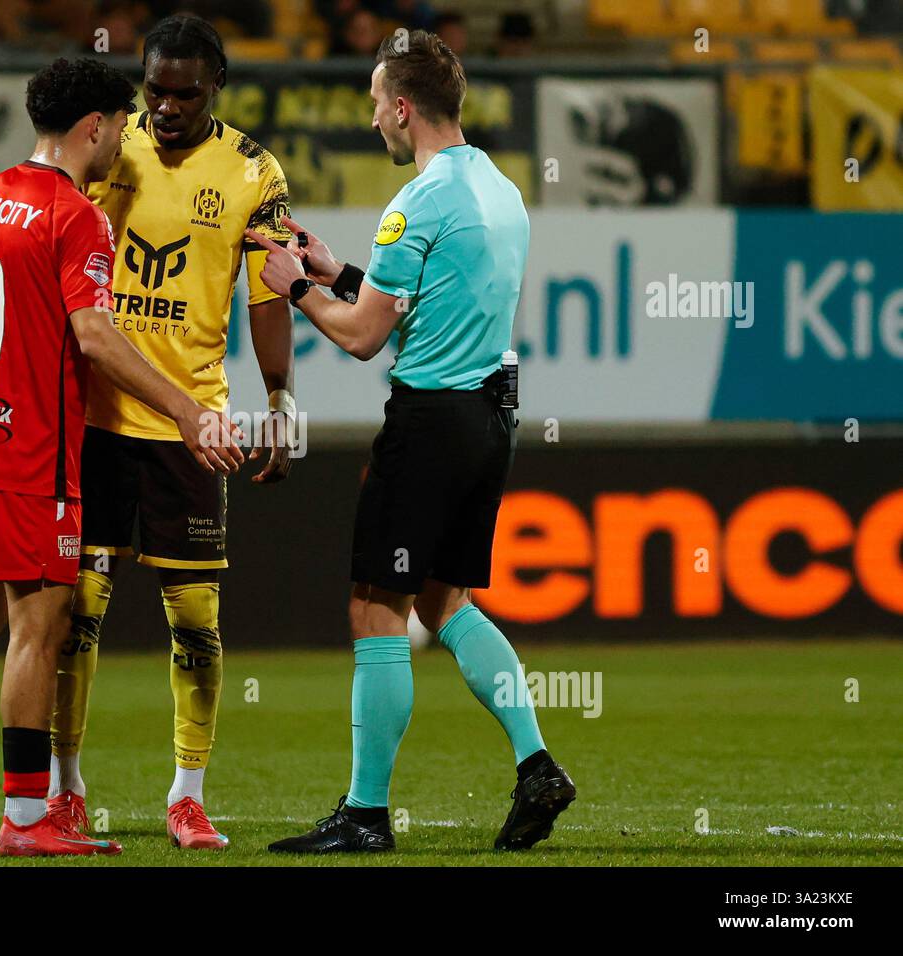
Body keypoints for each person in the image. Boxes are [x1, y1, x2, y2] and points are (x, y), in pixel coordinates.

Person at [0, 57, 243, 858]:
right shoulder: (77, 215)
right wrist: (188, 412)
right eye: (120, 125)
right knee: (38, 629)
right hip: (25, 451)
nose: (124, 141)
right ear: (93, 127)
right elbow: (95, 336)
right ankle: (28, 817)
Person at [246, 29, 576, 854]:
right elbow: (424, 307)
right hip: (489, 420)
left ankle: (365, 813)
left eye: (373, 105)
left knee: (375, 607)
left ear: (403, 107)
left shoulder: (417, 200)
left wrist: (295, 290)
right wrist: (335, 273)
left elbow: (362, 340)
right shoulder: (501, 189)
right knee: (445, 600)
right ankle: (537, 763)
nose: (371, 124)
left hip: (428, 425)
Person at [46, 13, 296, 851]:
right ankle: (65, 789)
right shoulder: (107, 150)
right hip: (95, 417)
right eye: (155, 90)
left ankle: (187, 796)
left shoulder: (255, 172)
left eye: (185, 94)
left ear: (216, 86)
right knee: (76, 610)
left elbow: (268, 292)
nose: (167, 108)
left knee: (194, 617)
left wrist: (281, 398)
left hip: (193, 420)